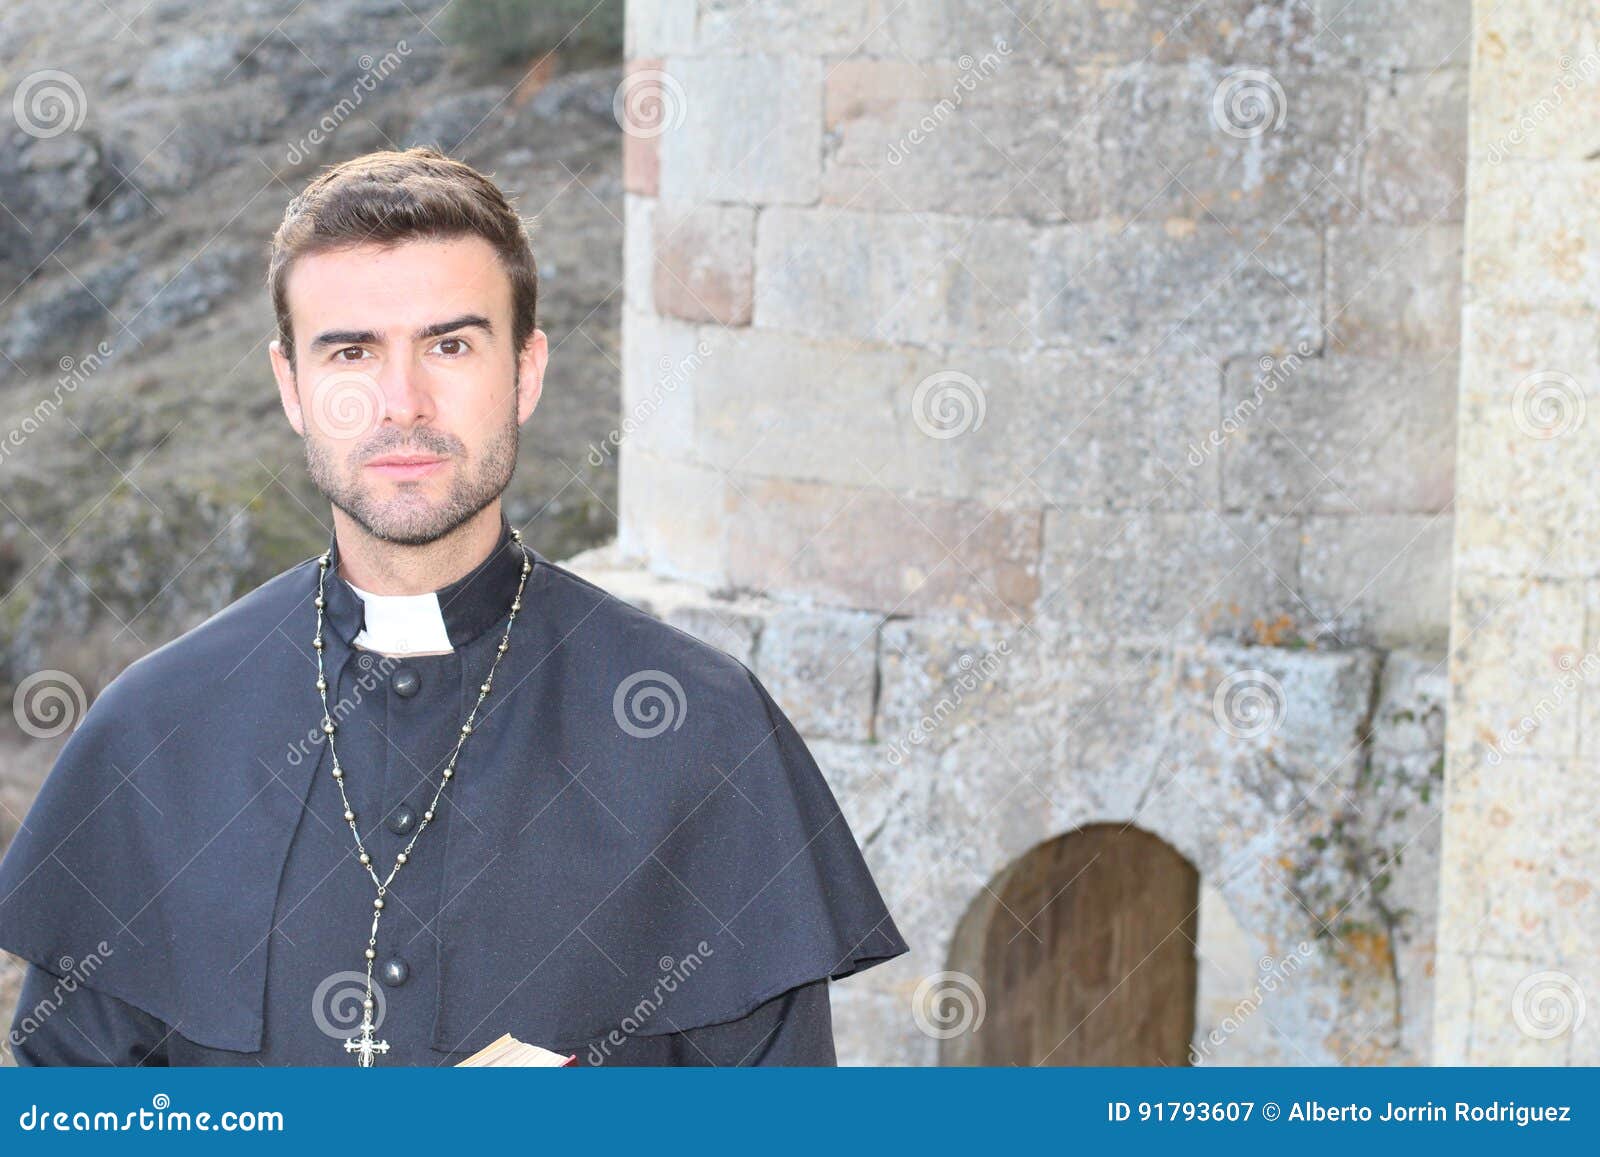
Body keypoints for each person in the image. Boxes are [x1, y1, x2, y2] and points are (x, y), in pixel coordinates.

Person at [0, 148, 907, 1067]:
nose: (403, 402)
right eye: (352, 351)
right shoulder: (156, 731)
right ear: (292, 387)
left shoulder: (703, 732)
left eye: (451, 345)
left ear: (526, 370)